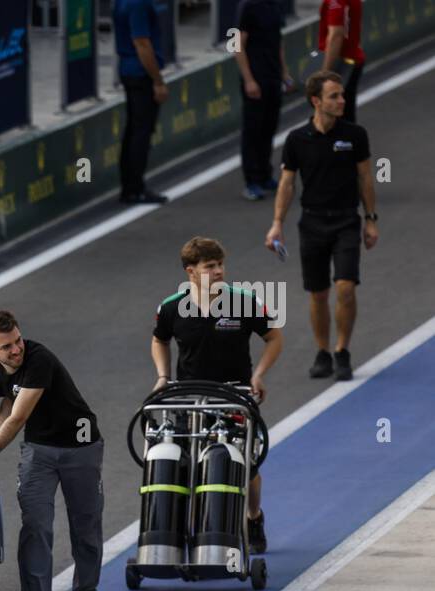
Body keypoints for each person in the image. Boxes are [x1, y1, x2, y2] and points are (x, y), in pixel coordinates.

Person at [0, 311, 104, 591]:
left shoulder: (39, 359)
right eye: (7, 347)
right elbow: (7, 405)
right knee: (36, 526)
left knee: (85, 525)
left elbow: (18, 418)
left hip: (80, 447)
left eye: (17, 340)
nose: (16, 350)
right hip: (39, 453)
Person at [150, 236, 284, 553]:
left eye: (221, 264)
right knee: (185, 461)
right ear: (191, 272)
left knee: (246, 464)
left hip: (234, 395)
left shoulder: (245, 301)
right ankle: (181, 527)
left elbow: (274, 338)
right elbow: (159, 340)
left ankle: (253, 517)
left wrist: (259, 374)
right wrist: (163, 376)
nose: (219, 271)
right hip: (189, 398)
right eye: (210, 267)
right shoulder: (171, 307)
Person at [265, 71, 378, 382]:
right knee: (317, 294)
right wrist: (277, 224)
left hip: (345, 221)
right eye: (334, 96)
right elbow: (287, 184)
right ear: (316, 101)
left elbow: (366, 178)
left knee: (345, 287)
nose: (342, 100)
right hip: (312, 222)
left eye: (342, 95)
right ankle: (322, 352)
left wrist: (370, 220)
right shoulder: (297, 140)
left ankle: (342, 351)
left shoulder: (355, 135)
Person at [235, 0, 292, 200]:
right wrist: (249, 79)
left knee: (269, 128)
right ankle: (251, 181)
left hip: (273, 77)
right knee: (253, 131)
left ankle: (265, 174)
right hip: (255, 79)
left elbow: (279, 42)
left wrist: (284, 74)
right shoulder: (248, 6)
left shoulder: (275, 5)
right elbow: (237, 45)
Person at [113, 0, 169, 204]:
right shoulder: (138, 3)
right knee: (141, 132)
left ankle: (130, 185)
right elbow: (142, 43)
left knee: (133, 130)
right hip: (140, 73)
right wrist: (158, 80)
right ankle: (134, 187)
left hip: (129, 69)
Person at [318, 0, 365, 124]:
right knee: (345, 115)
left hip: (341, 64)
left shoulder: (336, 1)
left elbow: (336, 35)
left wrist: (325, 73)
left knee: (335, 118)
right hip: (351, 60)